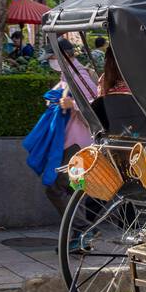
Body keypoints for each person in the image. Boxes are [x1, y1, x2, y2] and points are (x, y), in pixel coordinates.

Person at [42, 39, 98, 216]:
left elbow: (94, 104)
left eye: (52, 56)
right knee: (74, 188)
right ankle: (80, 234)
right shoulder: (68, 74)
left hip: (77, 144)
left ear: (64, 54)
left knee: (59, 187)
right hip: (70, 143)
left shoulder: (78, 75)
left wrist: (71, 104)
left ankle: (81, 230)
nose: (51, 61)